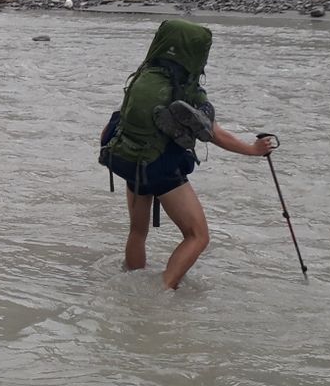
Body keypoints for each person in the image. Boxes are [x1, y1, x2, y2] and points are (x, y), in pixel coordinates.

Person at [98, 19, 276, 289]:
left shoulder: (143, 78)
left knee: (137, 231)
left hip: (131, 163)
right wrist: (253, 150)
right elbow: (214, 134)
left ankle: (130, 281)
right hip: (161, 170)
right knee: (198, 236)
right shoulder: (186, 89)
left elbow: (113, 124)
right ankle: (163, 292)